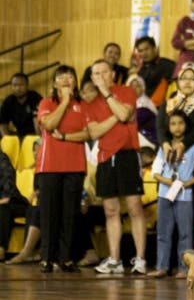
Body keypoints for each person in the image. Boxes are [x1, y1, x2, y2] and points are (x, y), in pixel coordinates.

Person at [83, 59, 147, 276]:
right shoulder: (90, 104)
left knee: (134, 208)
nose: (99, 76)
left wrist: (107, 95)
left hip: (128, 155)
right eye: (95, 73)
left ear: (112, 74)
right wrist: (115, 117)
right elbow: (94, 133)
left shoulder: (126, 91)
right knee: (111, 211)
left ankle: (140, 259)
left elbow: (124, 114)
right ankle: (115, 260)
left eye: (103, 72)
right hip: (104, 158)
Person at [156, 62, 194, 244]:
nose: (188, 82)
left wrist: (184, 143)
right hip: (171, 166)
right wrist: (165, 144)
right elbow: (160, 127)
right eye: (184, 78)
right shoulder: (168, 105)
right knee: (170, 217)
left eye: (192, 79)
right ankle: (174, 264)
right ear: (178, 81)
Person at [36, 65, 89, 273]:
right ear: (54, 83)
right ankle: (46, 257)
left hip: (75, 165)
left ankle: (66, 257)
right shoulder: (46, 103)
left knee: (70, 213)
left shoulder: (83, 105)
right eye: (62, 77)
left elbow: (88, 133)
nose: (67, 79)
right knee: (49, 212)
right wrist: (65, 101)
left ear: (75, 82)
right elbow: (49, 125)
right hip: (49, 165)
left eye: (70, 76)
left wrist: (67, 137)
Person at [148, 111, 194, 278]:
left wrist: (187, 183)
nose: (177, 127)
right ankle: (162, 266)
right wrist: (167, 181)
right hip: (164, 195)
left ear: (186, 125)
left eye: (180, 123)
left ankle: (184, 268)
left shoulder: (192, 147)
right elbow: (155, 172)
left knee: (185, 233)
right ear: (168, 127)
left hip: (184, 196)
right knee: (163, 232)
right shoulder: (165, 147)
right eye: (173, 123)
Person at [5, 137, 42, 264]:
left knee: (35, 210)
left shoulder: (49, 170)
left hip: (50, 203)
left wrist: (36, 193)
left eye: (39, 150)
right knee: (32, 210)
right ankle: (29, 251)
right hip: (38, 203)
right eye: (34, 150)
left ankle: (27, 251)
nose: (36, 153)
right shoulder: (34, 170)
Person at [0, 147, 28, 262]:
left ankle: (1, 248)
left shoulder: (2, 160)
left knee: (2, 209)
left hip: (15, 202)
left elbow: (7, 195)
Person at [134, 36, 175, 108]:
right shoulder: (141, 71)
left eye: (147, 49)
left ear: (154, 48)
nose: (144, 53)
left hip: (164, 108)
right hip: (144, 107)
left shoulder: (167, 65)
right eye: (140, 51)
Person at [0, 73, 42, 138]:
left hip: (34, 133)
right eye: (14, 85)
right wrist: (7, 140)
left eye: (21, 85)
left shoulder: (35, 97)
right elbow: (3, 122)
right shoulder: (9, 101)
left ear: (27, 86)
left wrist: (39, 140)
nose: (18, 88)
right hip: (19, 133)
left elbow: (37, 121)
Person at [126, 74, 158, 148]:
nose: (133, 89)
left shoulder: (145, 104)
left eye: (137, 86)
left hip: (147, 139)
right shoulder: (123, 103)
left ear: (142, 88)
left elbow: (134, 123)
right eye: (131, 86)